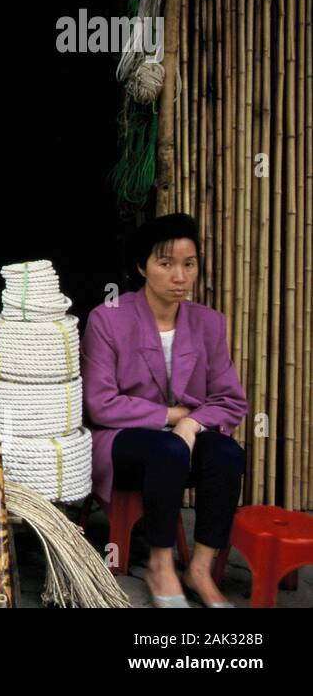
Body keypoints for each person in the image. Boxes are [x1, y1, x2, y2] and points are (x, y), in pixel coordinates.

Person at [81, 213, 248, 608]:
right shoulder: (108, 319)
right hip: (122, 438)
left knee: (227, 453)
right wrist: (173, 417)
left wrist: (191, 422)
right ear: (142, 267)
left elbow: (230, 400)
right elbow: (100, 403)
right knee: (168, 449)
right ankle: (160, 565)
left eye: (188, 264)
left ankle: (200, 569)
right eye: (166, 263)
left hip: (186, 437)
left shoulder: (209, 323)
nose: (179, 276)